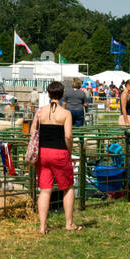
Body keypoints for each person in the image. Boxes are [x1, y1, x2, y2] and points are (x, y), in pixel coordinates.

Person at [32, 80, 80, 233]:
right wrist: (69, 151)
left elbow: (33, 131)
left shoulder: (40, 111)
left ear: (48, 94)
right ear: (63, 95)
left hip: (43, 153)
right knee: (67, 188)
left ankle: (42, 226)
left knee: (45, 190)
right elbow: (68, 136)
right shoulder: (66, 114)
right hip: (59, 153)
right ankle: (69, 223)